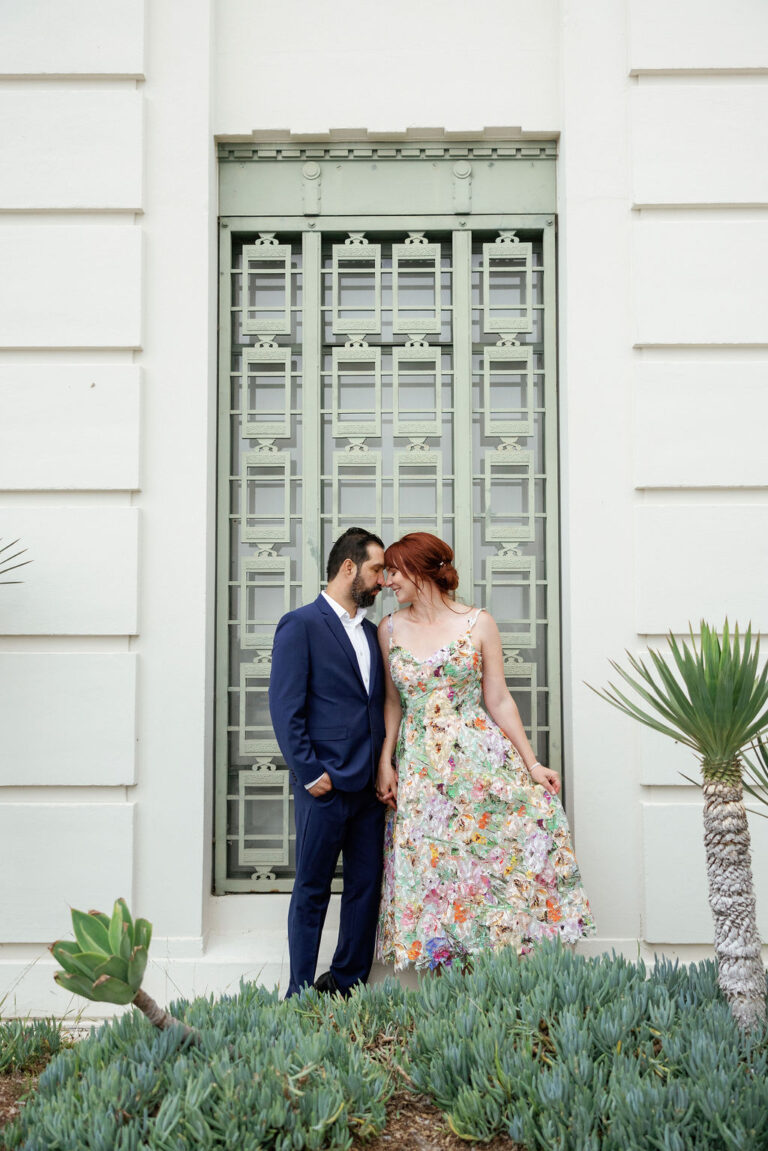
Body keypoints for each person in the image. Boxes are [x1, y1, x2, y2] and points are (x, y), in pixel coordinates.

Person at [375, 532, 595, 970]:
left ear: (419, 570)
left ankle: (498, 967)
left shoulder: (479, 623)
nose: (388, 581)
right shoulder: (389, 629)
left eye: (395, 571)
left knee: (490, 858)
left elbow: (498, 699)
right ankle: (443, 971)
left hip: (479, 761)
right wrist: (386, 760)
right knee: (434, 866)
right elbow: (393, 703)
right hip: (420, 766)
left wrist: (532, 764)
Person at [269, 527, 387, 998]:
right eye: (377, 569)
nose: (382, 580)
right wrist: (309, 770)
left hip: (370, 789)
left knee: (365, 890)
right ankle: (298, 991)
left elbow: (375, 705)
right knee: (313, 888)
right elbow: (284, 707)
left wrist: (383, 766)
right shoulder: (300, 624)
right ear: (348, 567)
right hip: (325, 784)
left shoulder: (376, 634)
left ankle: (345, 984)